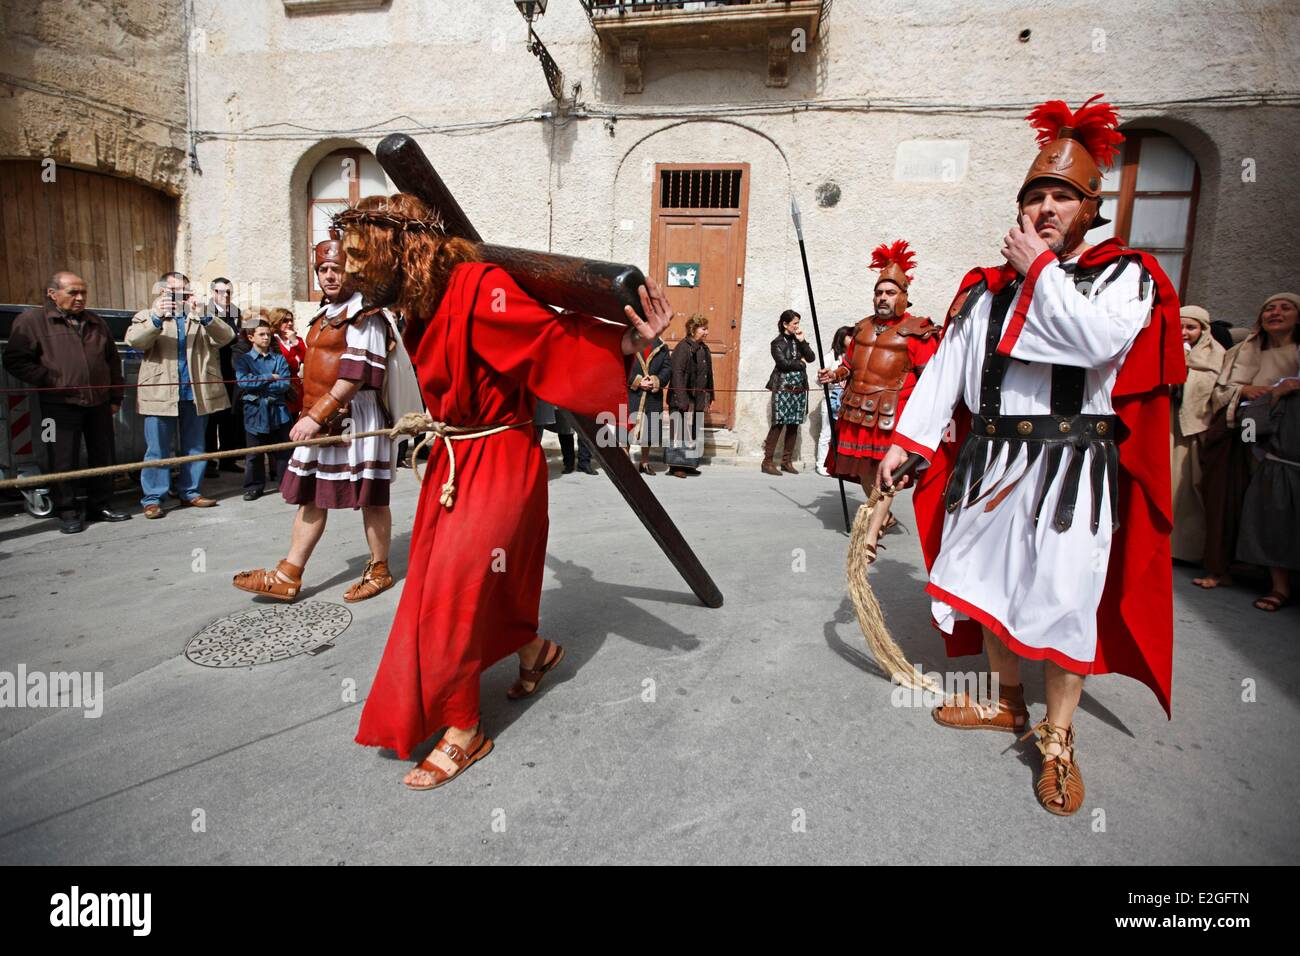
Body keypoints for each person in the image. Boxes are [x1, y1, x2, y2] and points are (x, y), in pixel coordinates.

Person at [880, 95, 1184, 816]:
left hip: (1073, 474)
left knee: (1062, 604)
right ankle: (1005, 703)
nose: (1047, 208)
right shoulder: (987, 290)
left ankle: (1057, 740)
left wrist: (1044, 271)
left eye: (1062, 197)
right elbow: (949, 368)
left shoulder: (1124, 278)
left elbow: (1093, 343)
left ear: (1089, 208)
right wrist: (907, 443)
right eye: (1036, 197)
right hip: (992, 469)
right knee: (984, 589)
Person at [340, 193, 673, 790]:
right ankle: (535, 651)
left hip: (500, 455)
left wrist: (631, 341)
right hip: (451, 458)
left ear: (402, 250)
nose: (357, 275)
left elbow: (550, 340)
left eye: (366, 261)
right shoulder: (415, 302)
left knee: (455, 590)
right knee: (476, 577)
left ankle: (465, 729)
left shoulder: (477, 287)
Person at [231, 236, 421, 603]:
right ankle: (288, 574)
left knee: (371, 497)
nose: (330, 276)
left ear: (352, 269)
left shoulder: (365, 314)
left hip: (357, 418)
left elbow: (354, 377)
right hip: (324, 417)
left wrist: (314, 418)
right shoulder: (324, 314)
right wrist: (311, 412)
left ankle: (379, 569)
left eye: (336, 268)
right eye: (323, 269)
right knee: (312, 496)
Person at [817, 241, 940, 560]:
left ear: (904, 296)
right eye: (879, 292)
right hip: (857, 409)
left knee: (886, 473)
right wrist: (835, 374)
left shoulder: (918, 330)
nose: (882, 298)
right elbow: (850, 364)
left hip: (893, 414)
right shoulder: (861, 328)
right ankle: (882, 514)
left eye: (890, 292)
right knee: (864, 472)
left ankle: (870, 535)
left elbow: (934, 378)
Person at [2, 272, 129, 533]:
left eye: (83, 292)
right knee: (61, 458)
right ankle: (67, 510)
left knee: (103, 455)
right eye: (73, 292)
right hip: (56, 405)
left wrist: (115, 397)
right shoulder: (32, 321)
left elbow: (113, 362)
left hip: (99, 404)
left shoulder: (96, 322)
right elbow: (14, 360)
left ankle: (100, 505)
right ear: (53, 293)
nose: (80, 298)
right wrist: (50, 379)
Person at [1194, 293, 1300, 588]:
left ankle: (1278, 580)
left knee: (1278, 502)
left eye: (1285, 307)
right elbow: (1220, 392)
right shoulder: (1242, 351)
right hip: (1246, 426)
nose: (1275, 313)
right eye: (1269, 308)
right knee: (1231, 495)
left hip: (1288, 436)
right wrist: (1245, 391)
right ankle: (1222, 568)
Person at [126, 272, 234, 518]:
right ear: (163, 292)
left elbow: (227, 337)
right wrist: (156, 318)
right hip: (160, 392)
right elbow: (135, 341)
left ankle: (191, 492)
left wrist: (205, 314)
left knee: (196, 446)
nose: (181, 297)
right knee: (157, 450)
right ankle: (153, 498)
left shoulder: (201, 317)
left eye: (185, 292)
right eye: (175, 292)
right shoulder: (146, 316)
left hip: (196, 392)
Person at [1237, 354, 1300, 611]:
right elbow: (1247, 429)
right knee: (1276, 530)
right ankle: (1279, 587)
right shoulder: (1286, 387)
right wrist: (1274, 396)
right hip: (1280, 468)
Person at [1170, 306, 1224, 563]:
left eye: (1190, 327)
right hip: (1167, 429)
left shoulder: (1216, 356)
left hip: (1194, 430)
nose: (1184, 333)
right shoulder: (1165, 347)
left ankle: (1186, 549)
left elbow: (1216, 391)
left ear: (1203, 329)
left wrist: (1188, 372)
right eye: (1179, 327)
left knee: (1189, 489)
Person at [234, 319, 293, 500]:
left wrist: (260, 382)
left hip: (278, 410)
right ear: (251, 337)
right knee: (254, 453)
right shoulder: (244, 360)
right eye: (261, 334)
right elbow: (244, 382)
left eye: (268, 334)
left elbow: (284, 384)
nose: (266, 337)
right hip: (255, 411)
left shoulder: (279, 358)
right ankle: (254, 486)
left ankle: (286, 484)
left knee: (284, 451)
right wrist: (269, 377)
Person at [761, 310, 815, 476]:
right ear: (785, 324)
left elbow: (811, 357)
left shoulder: (798, 341)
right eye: (794, 323)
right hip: (782, 388)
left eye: (798, 323)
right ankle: (767, 462)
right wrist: (801, 363)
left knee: (794, 425)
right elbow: (783, 364)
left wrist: (803, 341)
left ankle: (786, 461)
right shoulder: (776, 342)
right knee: (778, 424)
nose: (797, 326)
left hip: (798, 388)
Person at [203, 277, 245, 476]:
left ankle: (228, 459)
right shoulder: (205, 313)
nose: (225, 296)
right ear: (213, 293)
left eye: (228, 292)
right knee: (211, 418)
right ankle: (209, 461)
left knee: (230, 415)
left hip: (231, 370)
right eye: (221, 292)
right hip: (212, 368)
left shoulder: (236, 312)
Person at [665, 313, 714, 478]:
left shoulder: (703, 349)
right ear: (693, 329)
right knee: (678, 432)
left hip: (697, 398)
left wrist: (710, 395)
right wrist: (681, 399)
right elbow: (677, 374)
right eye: (703, 328)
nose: (707, 332)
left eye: (707, 328)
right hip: (682, 398)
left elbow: (708, 374)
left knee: (693, 432)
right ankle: (676, 466)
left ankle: (689, 464)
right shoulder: (683, 347)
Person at [627, 334, 670, 474]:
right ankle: (625, 462)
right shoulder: (630, 341)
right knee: (627, 428)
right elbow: (622, 365)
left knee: (649, 429)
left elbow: (667, 369)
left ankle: (644, 462)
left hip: (653, 396)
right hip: (632, 394)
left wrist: (655, 380)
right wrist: (638, 381)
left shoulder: (662, 346)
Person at [815, 326, 855, 477]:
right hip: (831, 400)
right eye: (849, 337)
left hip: (846, 401)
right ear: (841, 338)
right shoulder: (830, 357)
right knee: (826, 433)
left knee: (840, 435)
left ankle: (837, 466)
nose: (852, 340)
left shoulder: (853, 356)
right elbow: (818, 380)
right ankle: (821, 464)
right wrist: (832, 381)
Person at [271, 307, 307, 417]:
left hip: (295, 385)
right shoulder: (272, 340)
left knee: (295, 416)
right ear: (277, 322)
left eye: (291, 320)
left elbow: (306, 358)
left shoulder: (297, 339)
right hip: (280, 383)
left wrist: (295, 341)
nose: (290, 323)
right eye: (285, 321)